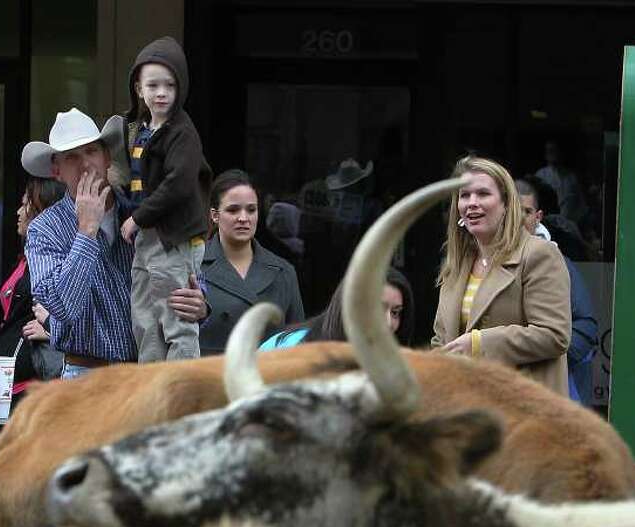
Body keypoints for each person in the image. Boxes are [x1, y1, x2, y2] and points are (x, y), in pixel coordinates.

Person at [22, 108, 208, 378]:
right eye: (72, 157)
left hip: (148, 370)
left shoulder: (144, 215)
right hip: (84, 373)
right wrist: (86, 231)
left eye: (91, 152)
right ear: (57, 170)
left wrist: (200, 303)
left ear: (107, 157)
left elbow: (189, 270)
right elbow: (62, 307)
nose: (85, 164)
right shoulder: (44, 229)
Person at [431, 156, 572, 396]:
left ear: (507, 204)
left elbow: (554, 335)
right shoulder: (456, 264)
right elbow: (441, 340)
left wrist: (478, 344)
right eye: (464, 195)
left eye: (483, 194)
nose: (472, 203)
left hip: (521, 412)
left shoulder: (539, 254)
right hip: (466, 412)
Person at [119, 36, 212, 363]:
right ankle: (152, 386)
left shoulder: (182, 132)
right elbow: (135, 179)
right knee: (144, 318)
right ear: (138, 88)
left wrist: (137, 217)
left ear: (181, 88)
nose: (161, 93)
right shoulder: (137, 128)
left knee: (177, 320)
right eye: (153, 85)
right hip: (148, 236)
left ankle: (182, 391)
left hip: (173, 236)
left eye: (170, 85)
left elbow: (180, 184)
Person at [0, 175, 67, 423]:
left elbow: (80, 313)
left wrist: (54, 330)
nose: (18, 212)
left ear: (44, 212)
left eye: (26, 205)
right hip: (2, 379)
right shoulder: (24, 258)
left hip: (35, 384)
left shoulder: (58, 261)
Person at [199, 170, 305, 355]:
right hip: (209, 376)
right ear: (215, 216)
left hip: (266, 377)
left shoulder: (283, 272)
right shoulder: (193, 265)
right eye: (233, 210)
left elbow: (298, 344)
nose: (243, 218)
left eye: (251, 210)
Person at [516, 177, 599, 406]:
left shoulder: (560, 263)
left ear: (538, 217)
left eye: (527, 211)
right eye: (514, 211)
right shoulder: (482, 263)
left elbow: (586, 326)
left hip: (552, 389)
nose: (520, 219)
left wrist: (552, 357)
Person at [260, 268, 414, 349]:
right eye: (377, 309)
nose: (388, 322)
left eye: (395, 313)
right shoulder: (292, 346)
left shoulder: (388, 365)